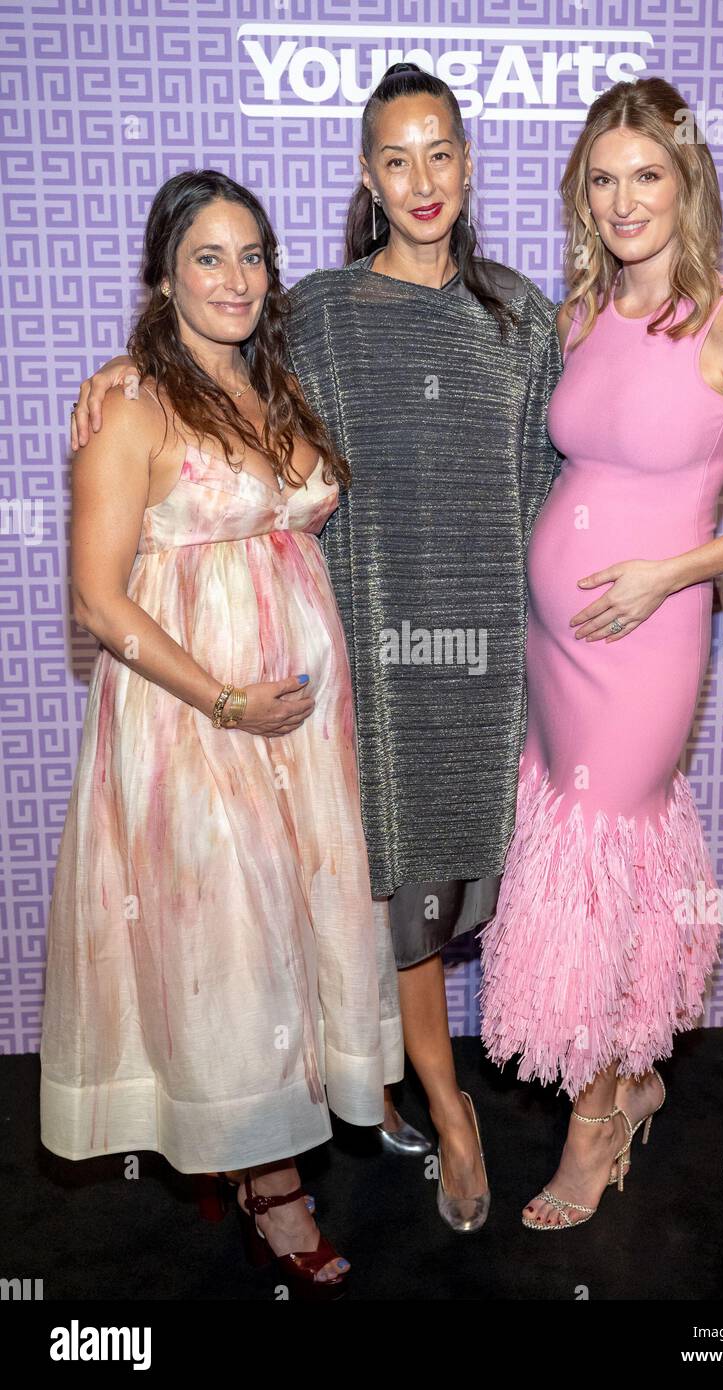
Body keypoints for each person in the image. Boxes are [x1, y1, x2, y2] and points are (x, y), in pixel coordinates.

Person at [69, 64, 563, 1233]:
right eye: (394, 157)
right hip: (355, 675)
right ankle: (443, 1114)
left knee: (451, 895)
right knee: (379, 898)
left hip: (485, 662)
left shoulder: (522, 314)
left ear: (467, 161)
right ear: (365, 174)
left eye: (438, 151)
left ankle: (385, 1091)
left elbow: (554, 476)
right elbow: (202, 356)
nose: (420, 179)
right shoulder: (324, 312)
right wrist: (116, 370)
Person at [478, 76, 723, 1230]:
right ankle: (627, 1076)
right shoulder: (581, 312)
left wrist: (669, 573)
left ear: (686, 187)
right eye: (603, 178)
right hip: (554, 647)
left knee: (598, 860)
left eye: (647, 176)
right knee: (590, 860)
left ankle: (594, 1129)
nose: (624, 199)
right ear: (581, 194)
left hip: (647, 638)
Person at [41, 170, 403, 1295]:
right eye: (208, 256)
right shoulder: (130, 407)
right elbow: (100, 602)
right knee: (227, 945)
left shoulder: (278, 386)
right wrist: (226, 700)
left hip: (298, 730)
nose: (236, 278)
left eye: (252, 256)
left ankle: (267, 1140)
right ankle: (271, 1188)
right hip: (193, 724)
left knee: (293, 929)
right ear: (163, 275)